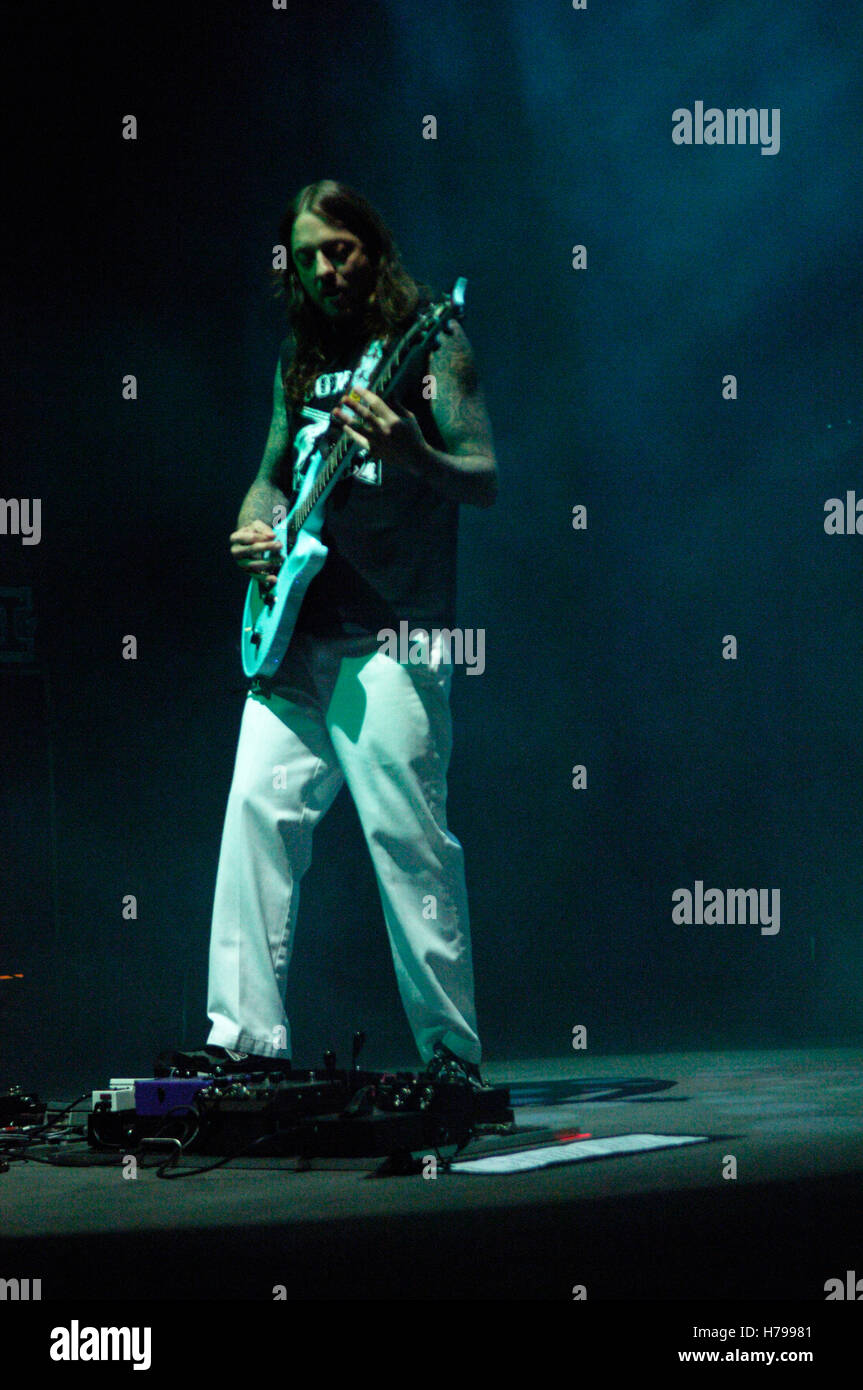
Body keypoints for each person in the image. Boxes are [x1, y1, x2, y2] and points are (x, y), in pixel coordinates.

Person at [157, 180, 497, 1086]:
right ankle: (242, 1045)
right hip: (297, 634)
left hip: (393, 634)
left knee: (407, 842)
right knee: (252, 819)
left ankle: (450, 1058)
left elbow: (483, 475)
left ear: (372, 248)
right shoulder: (299, 355)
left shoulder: (430, 340)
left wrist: (411, 453)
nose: (322, 269)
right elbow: (271, 473)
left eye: (337, 249)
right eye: (306, 256)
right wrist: (254, 525)